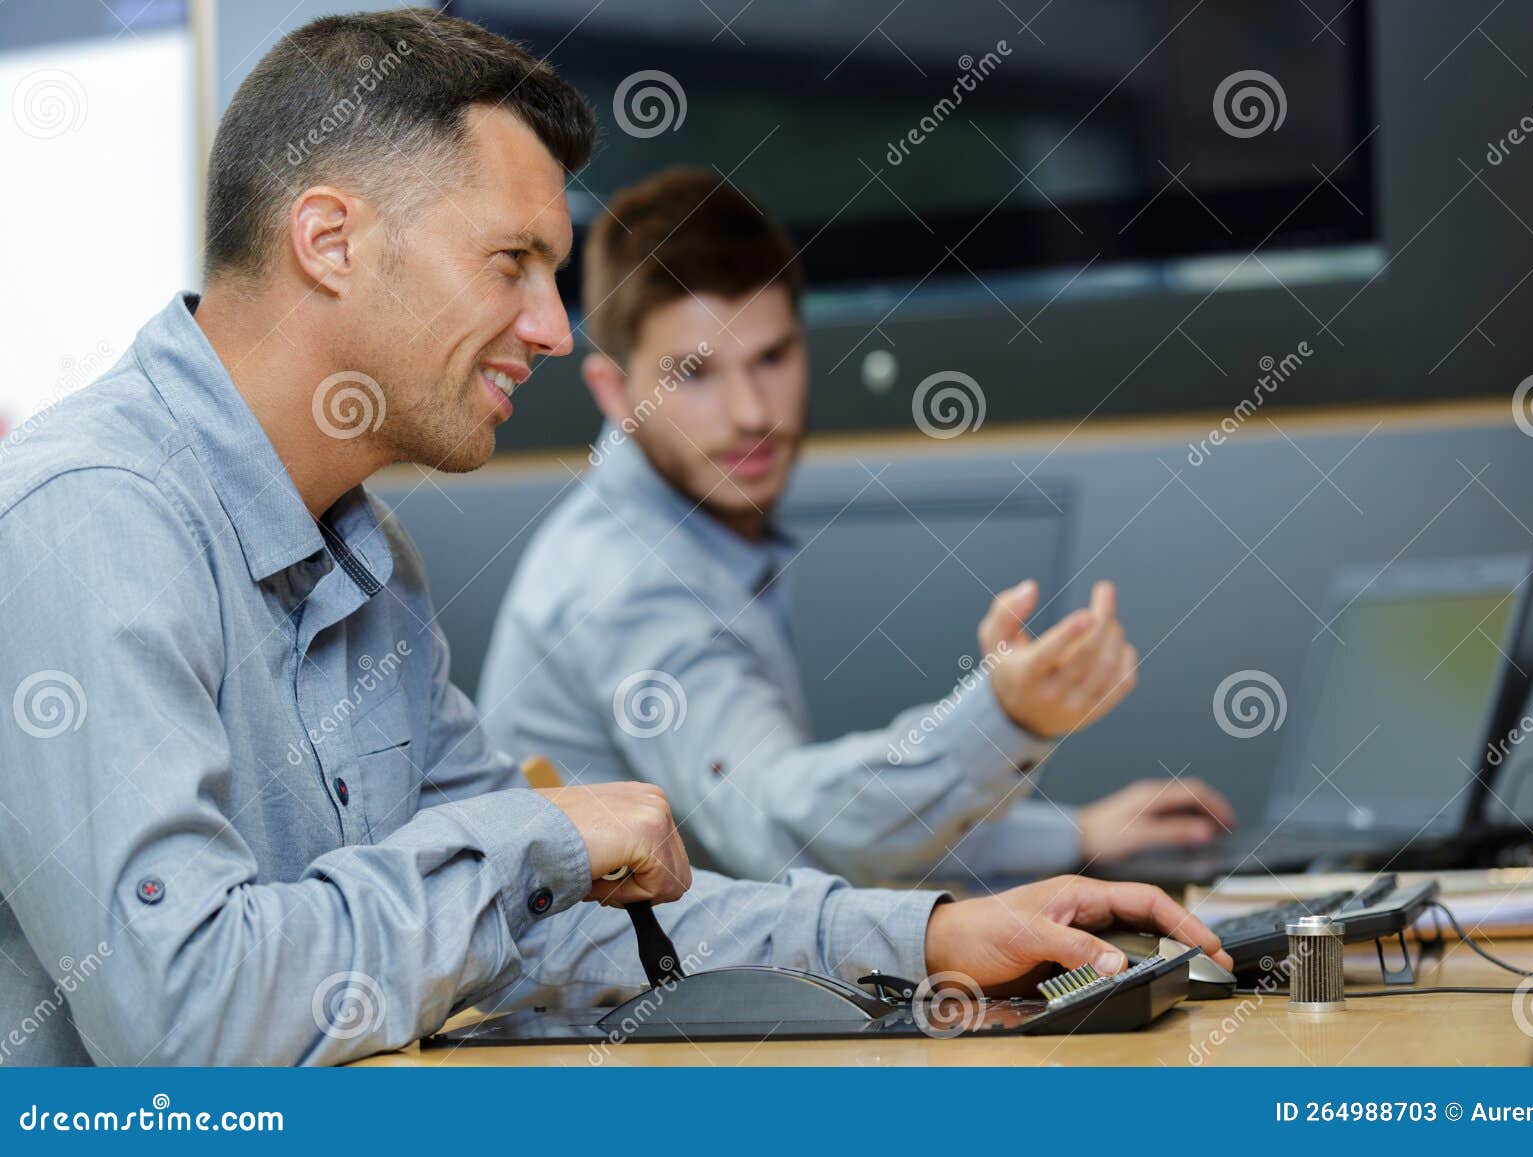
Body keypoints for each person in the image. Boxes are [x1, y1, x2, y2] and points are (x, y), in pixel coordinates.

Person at [0, 9, 1227, 1067]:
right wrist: (535, 838)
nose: (550, 325)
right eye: (512, 262)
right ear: (330, 242)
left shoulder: (369, 562)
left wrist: (922, 934)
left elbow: (553, 919)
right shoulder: (90, 516)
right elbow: (184, 1010)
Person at [477, 166, 1236, 886]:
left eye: (772, 358)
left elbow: (778, 842)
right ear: (615, 391)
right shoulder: (627, 582)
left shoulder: (690, 525)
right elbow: (782, 830)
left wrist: (1075, 836)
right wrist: (1001, 719)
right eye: (694, 373)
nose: (751, 412)